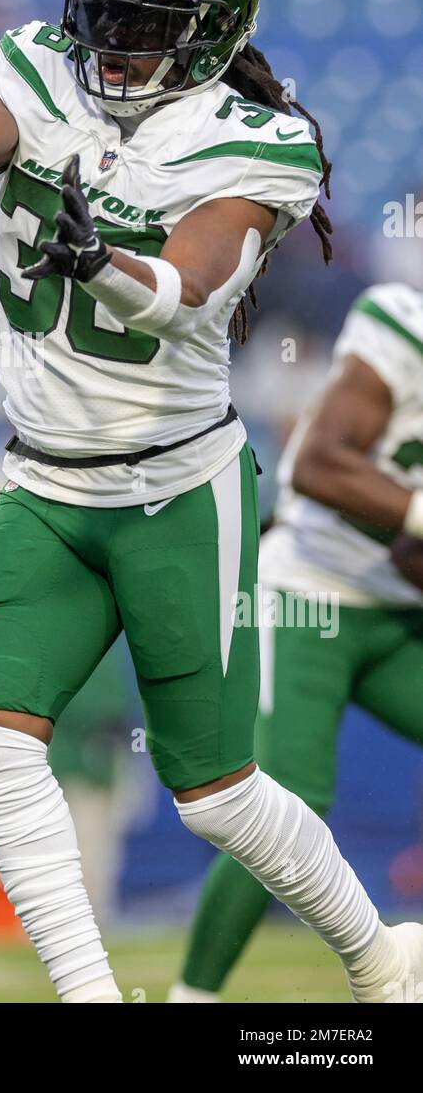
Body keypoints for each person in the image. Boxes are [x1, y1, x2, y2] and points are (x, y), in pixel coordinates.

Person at [0, 0, 423, 1004]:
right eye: (100, 11)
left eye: (141, 26)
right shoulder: (35, 67)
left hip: (174, 490)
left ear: (213, 32)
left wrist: (100, 265)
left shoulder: (256, 141)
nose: (109, 44)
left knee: (215, 792)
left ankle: (377, 960)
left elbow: (188, 285)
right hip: (41, 482)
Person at [172, 281, 423, 1001]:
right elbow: (317, 465)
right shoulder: (402, 330)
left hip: (402, 609)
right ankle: (193, 995)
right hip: (310, 595)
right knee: (290, 802)